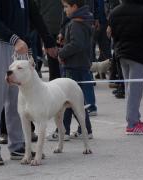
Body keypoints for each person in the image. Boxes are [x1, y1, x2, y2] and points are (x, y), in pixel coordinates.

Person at [0, 0, 57, 165]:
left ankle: (17, 145)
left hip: (20, 46)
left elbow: (35, 15)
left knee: (18, 98)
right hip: (0, 42)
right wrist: (15, 39)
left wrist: (48, 40)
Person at [58, 0, 95, 139]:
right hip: (81, 64)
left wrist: (61, 53)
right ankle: (86, 130)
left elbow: (76, 44)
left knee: (67, 100)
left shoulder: (75, 23)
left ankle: (64, 131)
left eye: (66, 7)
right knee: (77, 100)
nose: (64, 10)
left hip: (73, 66)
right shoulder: (84, 20)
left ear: (74, 7)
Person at [108, 0, 143, 135]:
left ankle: (134, 119)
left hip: (122, 54)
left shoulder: (114, 12)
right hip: (139, 55)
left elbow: (113, 35)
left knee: (130, 89)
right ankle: (132, 123)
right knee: (135, 90)